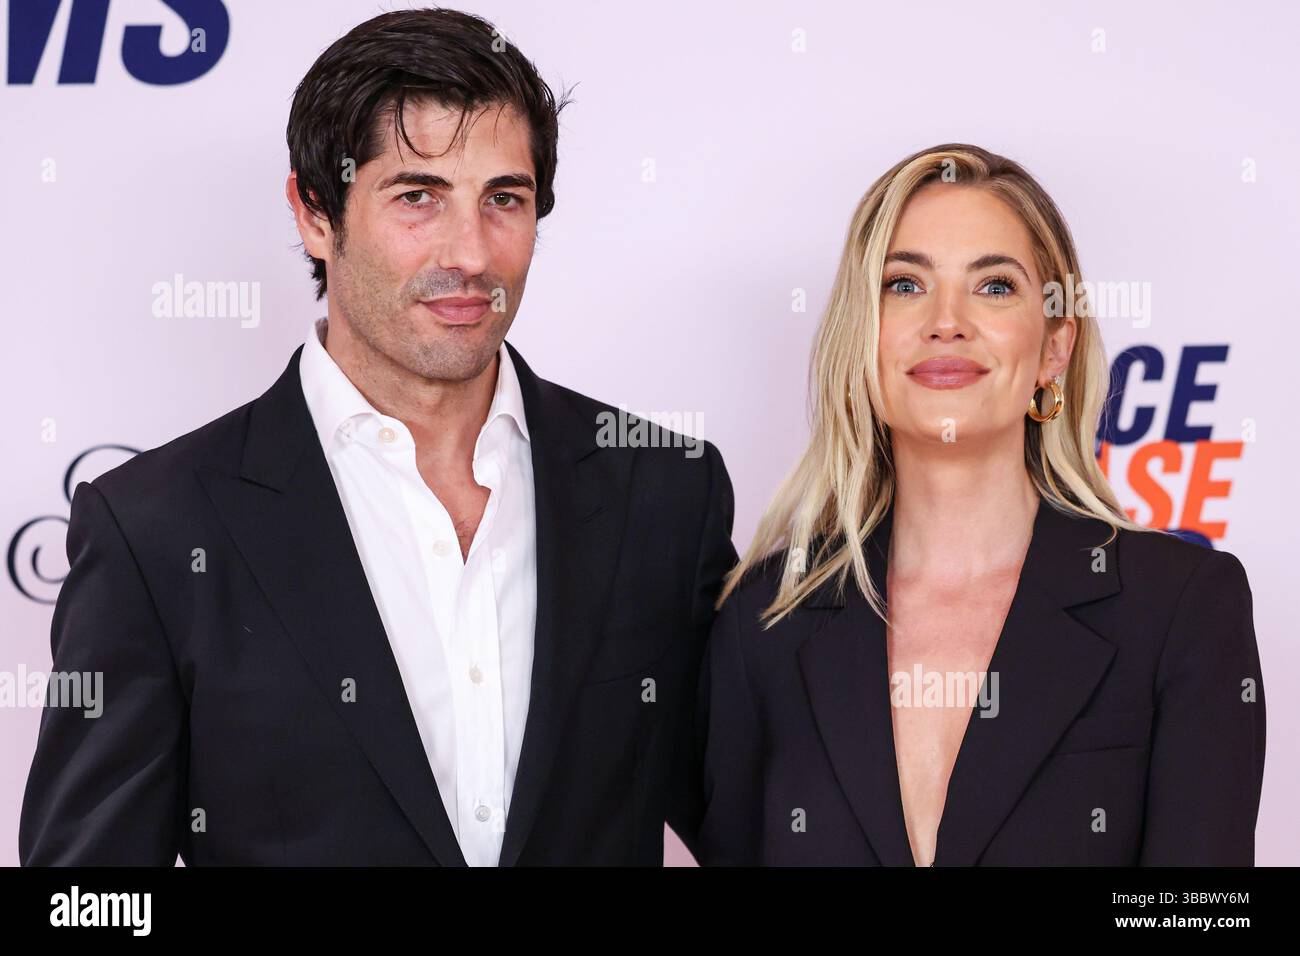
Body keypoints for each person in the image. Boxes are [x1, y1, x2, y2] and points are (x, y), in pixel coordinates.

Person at [20, 8, 735, 866]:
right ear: (316, 213)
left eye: (503, 199)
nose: (471, 253)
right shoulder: (158, 531)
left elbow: (762, 817)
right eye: (418, 197)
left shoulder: (658, 489)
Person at [695, 144, 1265, 866]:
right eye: (904, 284)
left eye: (994, 287)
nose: (946, 321)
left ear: (1056, 347)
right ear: (860, 337)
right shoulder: (761, 625)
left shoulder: (1181, 608)